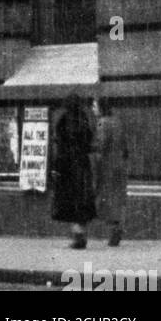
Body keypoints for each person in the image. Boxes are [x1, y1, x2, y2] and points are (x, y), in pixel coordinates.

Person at [51, 94, 96, 249]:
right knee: (82, 200)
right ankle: (81, 233)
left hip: (68, 165)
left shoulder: (64, 120)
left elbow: (61, 145)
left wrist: (57, 166)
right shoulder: (83, 119)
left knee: (70, 201)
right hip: (82, 164)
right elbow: (89, 140)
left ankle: (78, 236)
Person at [91, 100, 128, 247]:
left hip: (107, 167)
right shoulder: (117, 122)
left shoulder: (102, 123)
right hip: (119, 165)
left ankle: (114, 231)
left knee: (107, 199)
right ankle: (118, 228)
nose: (93, 109)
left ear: (101, 108)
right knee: (117, 198)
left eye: (94, 106)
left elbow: (101, 144)